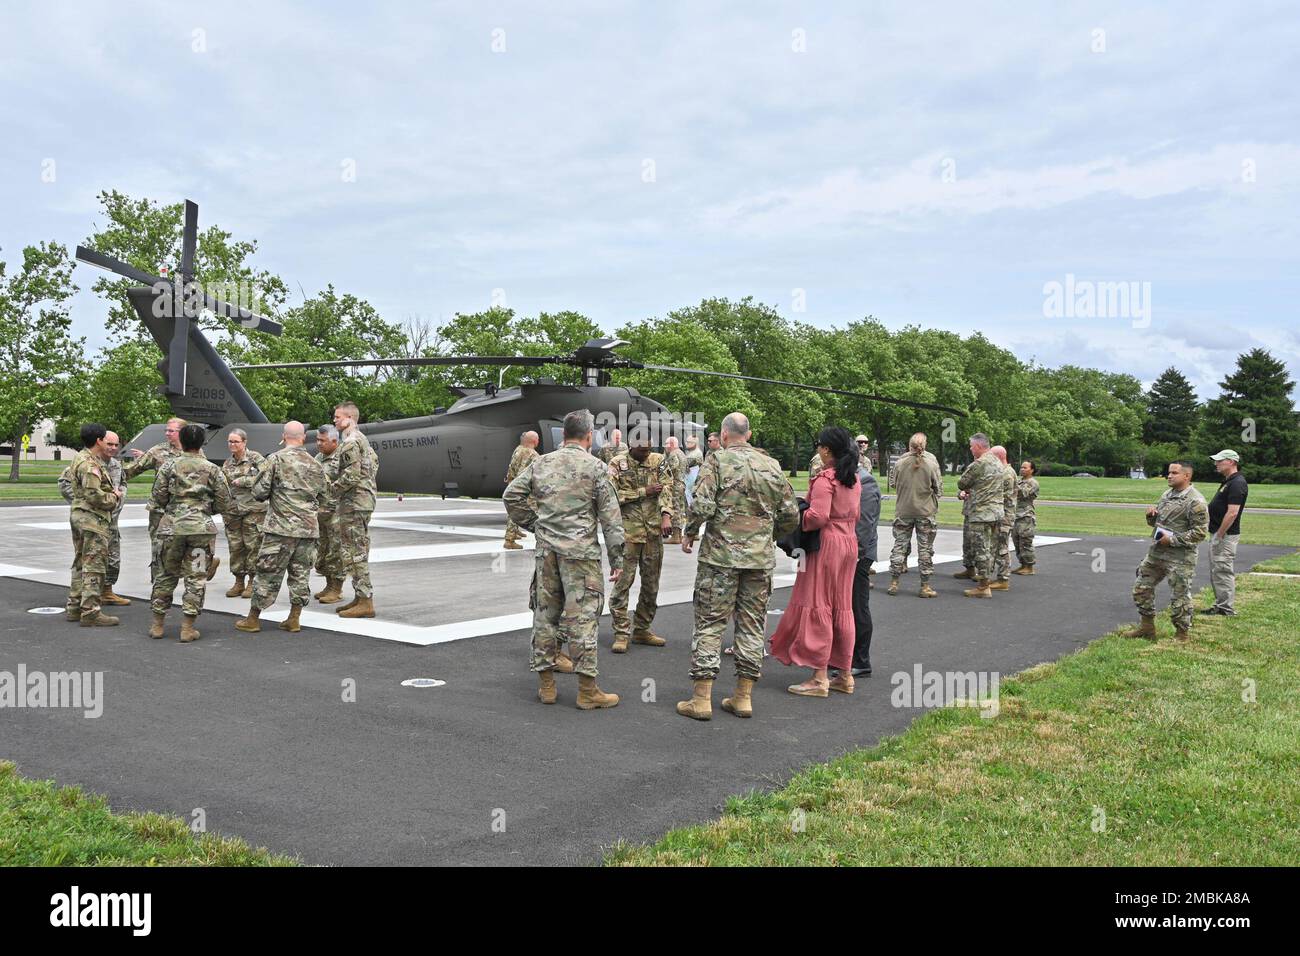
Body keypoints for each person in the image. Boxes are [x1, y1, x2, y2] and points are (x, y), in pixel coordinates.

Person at [676, 412, 799, 721]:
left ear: (725, 434)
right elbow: (790, 514)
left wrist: (690, 531)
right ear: (750, 433)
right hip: (759, 561)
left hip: (720, 559)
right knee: (752, 625)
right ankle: (743, 697)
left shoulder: (716, 462)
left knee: (710, 623)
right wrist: (766, 535)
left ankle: (701, 699)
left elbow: (701, 504)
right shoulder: (770, 465)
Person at [504, 409, 625, 709]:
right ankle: (587, 691)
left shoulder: (542, 463)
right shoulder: (597, 468)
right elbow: (611, 519)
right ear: (588, 436)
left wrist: (536, 524)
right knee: (582, 619)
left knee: (545, 615)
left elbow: (511, 496)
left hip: (547, 554)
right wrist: (618, 558)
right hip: (581, 555)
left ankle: (547, 686)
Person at [769, 427, 862, 697]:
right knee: (842, 608)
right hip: (848, 543)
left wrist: (799, 517)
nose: (817, 450)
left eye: (819, 446)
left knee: (817, 604)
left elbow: (818, 517)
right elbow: (855, 513)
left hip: (827, 545)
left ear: (826, 449)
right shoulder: (853, 478)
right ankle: (844, 674)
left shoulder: (826, 479)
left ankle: (819, 677)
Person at [235, 422, 328, 634]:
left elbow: (259, 491)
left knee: (267, 573)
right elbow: (325, 495)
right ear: (303, 438)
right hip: (307, 530)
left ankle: (253, 619)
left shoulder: (275, 459)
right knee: (300, 574)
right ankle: (294, 618)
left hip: (280, 528)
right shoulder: (315, 464)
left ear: (284, 437)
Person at [150, 424, 233, 642]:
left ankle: (158, 624)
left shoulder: (168, 466)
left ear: (182, 442)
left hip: (171, 528)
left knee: (165, 574)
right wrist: (204, 510)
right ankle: (187, 628)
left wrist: (175, 508)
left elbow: (158, 497)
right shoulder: (213, 469)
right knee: (196, 577)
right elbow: (225, 501)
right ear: (202, 443)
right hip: (200, 529)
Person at [1125, 460, 1209, 642]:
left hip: (1180, 557)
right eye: (1169, 472)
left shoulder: (1196, 501)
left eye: (1174, 473)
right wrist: (1151, 518)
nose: (1169, 476)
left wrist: (1172, 540)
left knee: (1179, 596)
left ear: (1187, 476)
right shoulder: (1167, 495)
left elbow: (1200, 533)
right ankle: (1147, 627)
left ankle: (1181, 635)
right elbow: (1160, 523)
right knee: (1141, 587)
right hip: (1157, 552)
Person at [606, 436, 673, 653]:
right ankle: (621, 633)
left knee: (651, 585)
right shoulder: (617, 463)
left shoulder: (658, 460)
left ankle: (642, 629)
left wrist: (666, 515)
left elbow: (667, 489)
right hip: (628, 533)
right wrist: (643, 492)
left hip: (653, 532)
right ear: (631, 446)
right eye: (642, 451)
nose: (646, 455)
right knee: (623, 584)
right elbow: (611, 496)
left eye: (648, 450)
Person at [58, 430, 130, 608]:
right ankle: (89, 606)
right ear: (100, 442)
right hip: (94, 518)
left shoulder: (115, 465)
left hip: (109, 519)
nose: (113, 448)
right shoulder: (89, 462)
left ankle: (105, 592)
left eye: (116, 445)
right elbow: (67, 484)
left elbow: (121, 487)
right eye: (109, 444)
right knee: (92, 562)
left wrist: (116, 504)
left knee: (112, 558)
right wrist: (84, 504)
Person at [123, 417, 185, 583]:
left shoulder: (195, 452)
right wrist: (109, 477)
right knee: (158, 545)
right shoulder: (157, 451)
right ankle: (158, 583)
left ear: (182, 433)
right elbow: (132, 470)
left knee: (182, 545)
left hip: (184, 509)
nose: (167, 433)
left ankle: (195, 570)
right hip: (160, 509)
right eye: (166, 430)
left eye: (171, 431)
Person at [332, 401, 379, 618]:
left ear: (350, 418)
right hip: (362, 501)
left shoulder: (351, 442)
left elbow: (351, 476)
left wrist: (330, 491)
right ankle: (360, 597)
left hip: (354, 503)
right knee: (357, 549)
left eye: (338, 417)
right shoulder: (363, 440)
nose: (334, 420)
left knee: (355, 552)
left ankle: (366, 602)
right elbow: (374, 465)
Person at [887, 433, 942, 598]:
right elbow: (938, 489)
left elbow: (892, 483)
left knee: (899, 546)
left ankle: (894, 582)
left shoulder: (900, 463)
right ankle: (925, 586)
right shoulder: (931, 464)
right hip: (925, 511)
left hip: (904, 510)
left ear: (909, 445)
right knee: (925, 549)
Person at [955, 433, 1003, 598]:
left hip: (981, 512)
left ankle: (983, 587)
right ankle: (986, 580)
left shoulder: (979, 463)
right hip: (996, 512)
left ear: (978, 446)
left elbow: (962, 483)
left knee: (981, 550)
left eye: (971, 446)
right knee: (990, 549)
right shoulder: (997, 461)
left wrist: (968, 488)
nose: (970, 449)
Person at [221, 428, 266, 599]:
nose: (232, 445)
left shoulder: (256, 459)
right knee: (235, 547)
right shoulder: (227, 463)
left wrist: (245, 481)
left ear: (244, 442)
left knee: (252, 546)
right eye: (230, 441)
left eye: (236, 442)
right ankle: (238, 581)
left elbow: (266, 477)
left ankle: (252, 582)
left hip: (253, 511)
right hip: (233, 512)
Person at [1203, 449, 1248, 616]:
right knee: (1217, 570)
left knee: (1222, 569)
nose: (1216, 464)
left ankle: (1226, 608)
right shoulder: (1229, 481)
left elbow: (1233, 512)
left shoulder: (1237, 483)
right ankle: (1221, 605)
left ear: (1231, 462)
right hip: (1219, 532)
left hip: (1225, 535)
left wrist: (1220, 534)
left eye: (1220, 461)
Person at [313, 425, 347, 602]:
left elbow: (348, 481)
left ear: (335, 441)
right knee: (323, 550)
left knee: (336, 550)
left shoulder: (343, 457)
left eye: (322, 441)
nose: (318, 443)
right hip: (321, 511)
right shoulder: (319, 457)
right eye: (318, 440)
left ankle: (337, 588)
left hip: (337, 512)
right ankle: (328, 584)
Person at [502, 431, 540, 549]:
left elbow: (511, 467)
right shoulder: (533, 455)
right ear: (535, 441)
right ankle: (509, 539)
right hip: (524, 488)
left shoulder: (518, 450)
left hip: (514, 484)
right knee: (524, 511)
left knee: (513, 509)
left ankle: (514, 532)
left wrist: (510, 481)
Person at [989, 445, 1018, 591]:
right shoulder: (1003, 471)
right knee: (998, 545)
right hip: (1000, 514)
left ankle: (1003, 579)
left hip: (1004, 516)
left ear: (999, 456)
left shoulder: (1007, 473)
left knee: (1002, 547)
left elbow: (1004, 496)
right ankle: (1000, 577)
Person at [1012, 460, 1040, 574]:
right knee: (1017, 541)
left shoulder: (1032, 482)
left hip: (1026, 516)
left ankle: (1029, 567)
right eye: (1021, 467)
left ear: (1032, 470)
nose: (1022, 469)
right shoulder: (1019, 482)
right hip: (1016, 515)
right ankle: (1023, 564)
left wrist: (1011, 482)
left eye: (1025, 468)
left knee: (1025, 541)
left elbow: (1022, 493)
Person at [663, 435, 688, 544]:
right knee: (680, 508)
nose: (665, 446)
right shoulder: (682, 453)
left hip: (675, 484)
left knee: (675, 509)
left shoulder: (673, 454)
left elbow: (672, 467)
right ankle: (679, 534)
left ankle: (676, 536)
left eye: (666, 444)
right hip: (681, 483)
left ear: (672, 444)